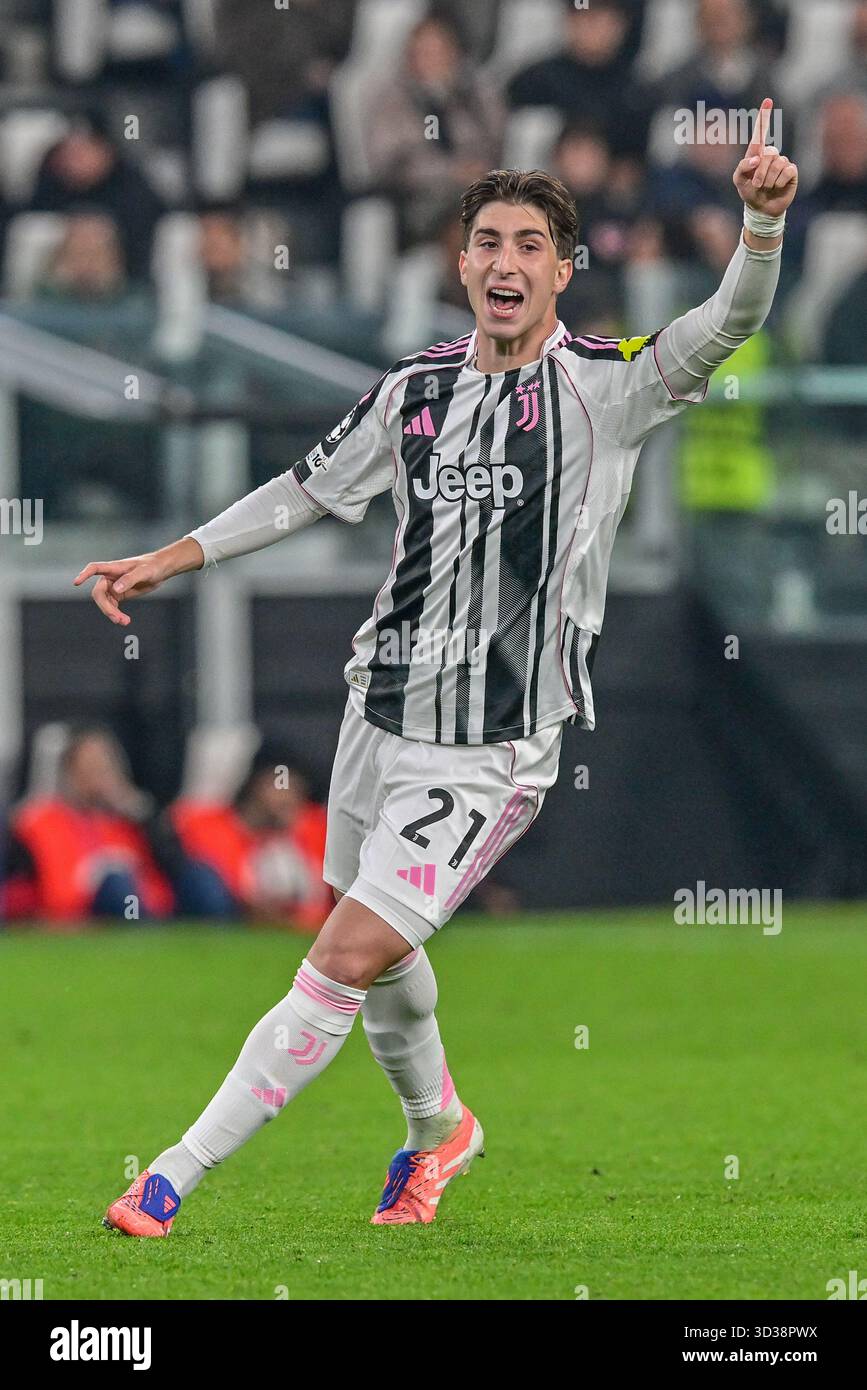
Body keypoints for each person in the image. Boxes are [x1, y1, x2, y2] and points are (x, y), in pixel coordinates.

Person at [75, 99, 798, 1233]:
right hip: (381, 712)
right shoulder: (415, 389)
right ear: (462, 264)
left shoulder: (606, 389)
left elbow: (724, 325)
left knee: (344, 954)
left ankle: (171, 1175)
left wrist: (759, 227)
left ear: (564, 270)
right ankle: (438, 1130)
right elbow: (308, 490)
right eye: (489, 243)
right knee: (376, 953)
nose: (506, 263)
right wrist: (174, 555)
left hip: (493, 745)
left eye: (530, 246)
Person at [5, 726, 172, 923]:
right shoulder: (43, 821)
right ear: (70, 773)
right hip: (81, 909)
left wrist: (135, 807)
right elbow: (55, 892)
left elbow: (156, 884)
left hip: (130, 904)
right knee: (116, 883)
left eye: (105, 767)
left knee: (124, 882)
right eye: (90, 767)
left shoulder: (123, 821)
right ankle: (137, 926)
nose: (99, 777)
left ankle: (137, 922)